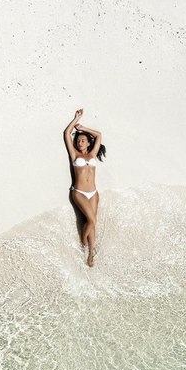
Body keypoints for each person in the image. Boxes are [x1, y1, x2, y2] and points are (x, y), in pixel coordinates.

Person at [63, 108, 106, 267]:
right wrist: (76, 119)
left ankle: (91, 253)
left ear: (88, 143)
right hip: (79, 192)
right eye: (78, 141)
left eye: (83, 141)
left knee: (92, 222)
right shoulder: (75, 155)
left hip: (93, 193)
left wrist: (83, 128)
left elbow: (98, 135)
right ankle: (82, 243)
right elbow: (67, 134)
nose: (79, 143)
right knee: (92, 220)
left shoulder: (92, 154)